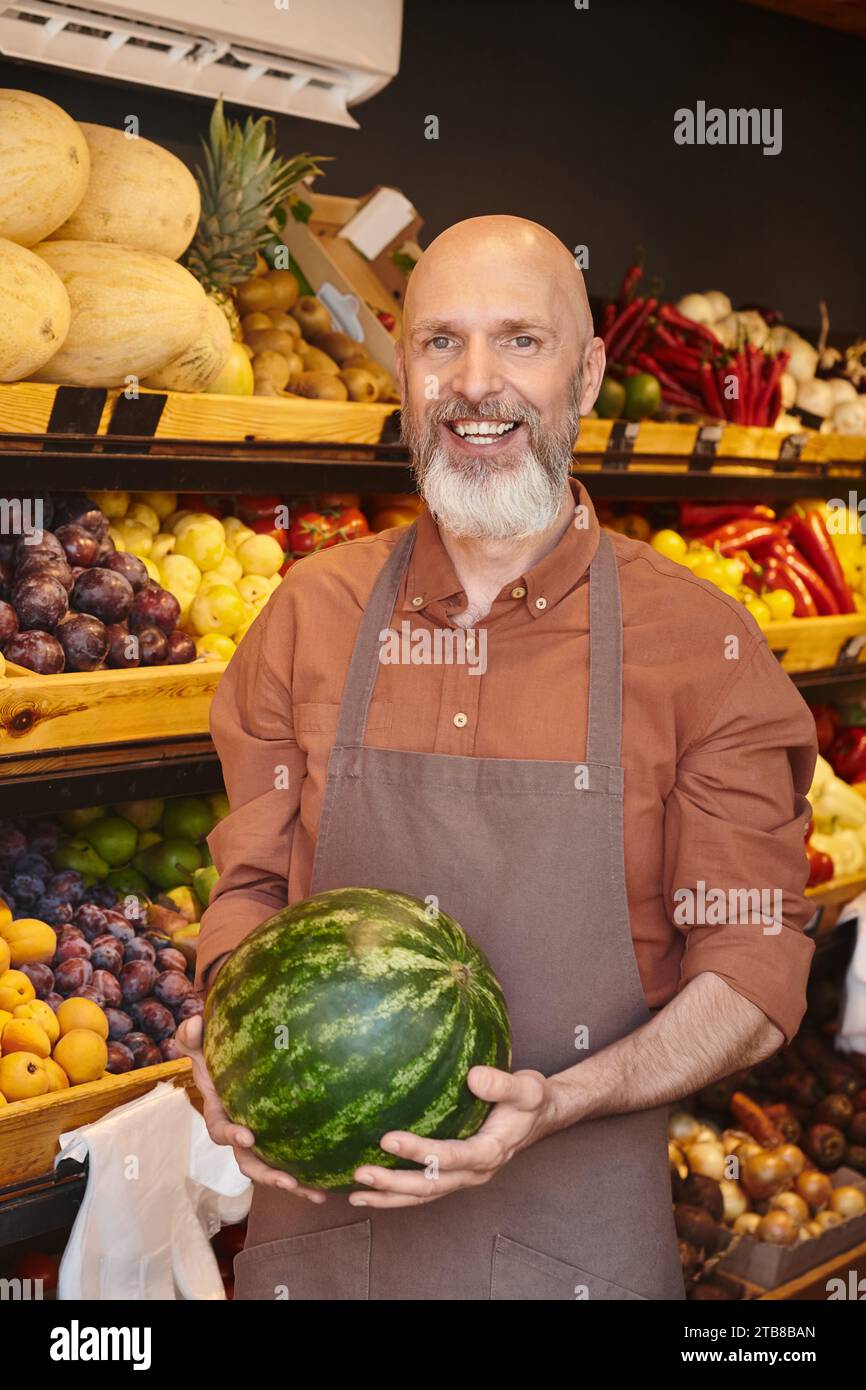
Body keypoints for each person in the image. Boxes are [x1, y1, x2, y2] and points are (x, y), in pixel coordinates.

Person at [178, 216, 817, 1301]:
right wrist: (224, 1051)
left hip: (573, 1244)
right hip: (315, 1246)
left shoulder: (699, 644)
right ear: (402, 374)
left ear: (587, 370)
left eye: (518, 340)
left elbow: (752, 971)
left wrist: (560, 1101)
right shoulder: (309, 613)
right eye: (439, 344)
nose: (475, 386)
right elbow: (245, 892)